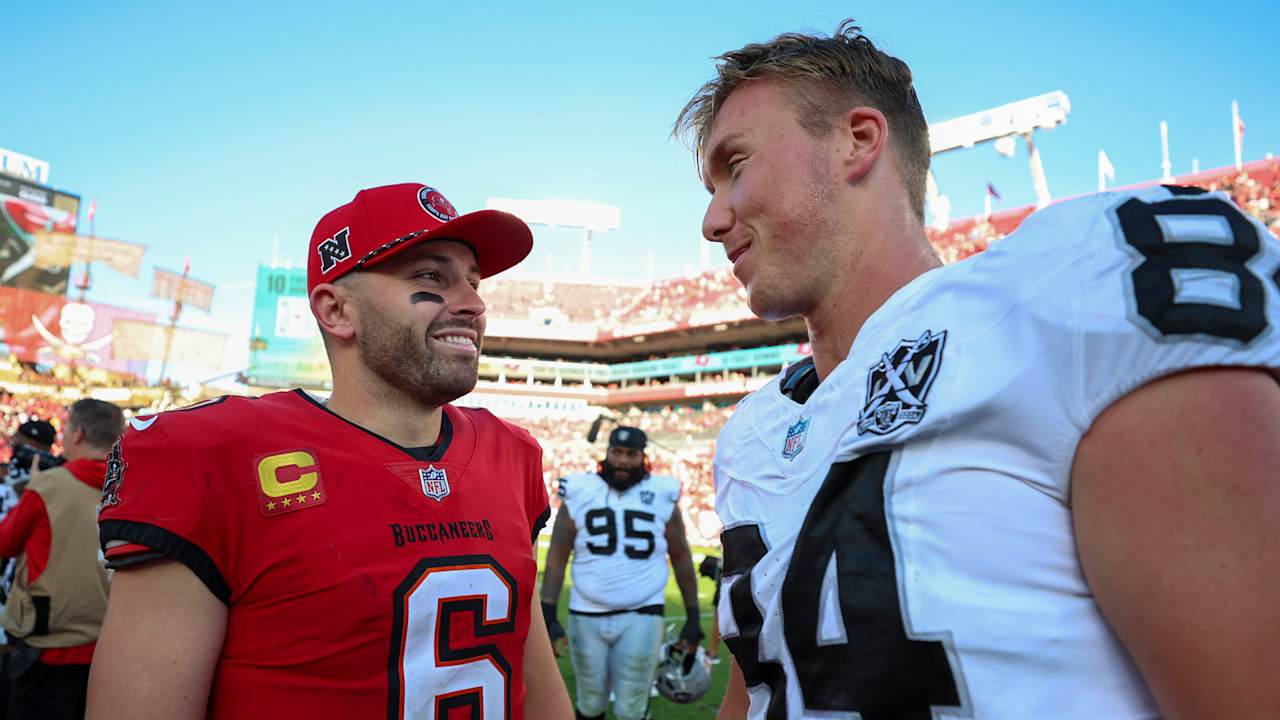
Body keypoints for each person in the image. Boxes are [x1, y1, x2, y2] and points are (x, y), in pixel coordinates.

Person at [675, 20, 1280, 720]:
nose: (712, 220)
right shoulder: (754, 432)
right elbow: (764, 686)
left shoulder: (1070, 292)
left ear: (859, 140)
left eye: (737, 165)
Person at [88, 183, 573, 718]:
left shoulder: (510, 454)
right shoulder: (214, 455)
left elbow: (535, 684)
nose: (474, 304)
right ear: (337, 309)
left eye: (475, 283)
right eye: (431, 277)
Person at [540, 426, 703, 720]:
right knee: (590, 703)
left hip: (642, 612)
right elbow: (556, 556)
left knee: (631, 707)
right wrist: (548, 612)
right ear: (607, 453)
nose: (624, 461)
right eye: (618, 452)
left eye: (632, 454)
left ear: (644, 457)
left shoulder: (660, 492)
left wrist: (693, 616)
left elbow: (680, 556)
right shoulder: (579, 490)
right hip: (585, 613)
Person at [0, 402, 123, 719]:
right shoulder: (132, 488)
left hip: (48, 647)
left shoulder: (49, 486)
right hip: (109, 646)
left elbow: (5, 544)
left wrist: (33, 486)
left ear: (79, 433)